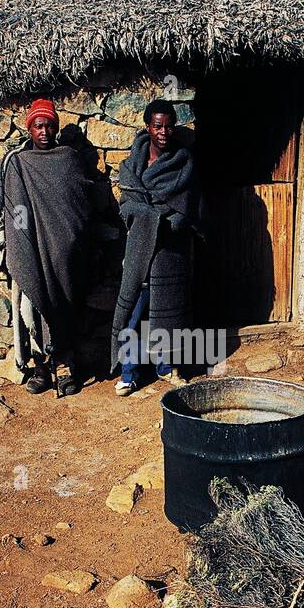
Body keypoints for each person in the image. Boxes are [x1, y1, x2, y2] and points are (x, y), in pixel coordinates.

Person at [0, 99, 93, 396]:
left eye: (50, 125)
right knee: (31, 307)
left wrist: (71, 235)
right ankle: (40, 366)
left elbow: (78, 205)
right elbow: (15, 206)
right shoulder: (18, 163)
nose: (45, 131)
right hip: (30, 244)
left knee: (62, 304)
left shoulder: (68, 159)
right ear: (30, 128)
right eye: (39, 125)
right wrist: (19, 234)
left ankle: (63, 365)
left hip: (64, 248)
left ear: (57, 128)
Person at [111, 99, 200, 395]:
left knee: (167, 313)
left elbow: (186, 210)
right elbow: (127, 204)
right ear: (148, 126)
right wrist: (149, 217)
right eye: (158, 126)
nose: (163, 132)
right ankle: (128, 372)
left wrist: (163, 223)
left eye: (169, 126)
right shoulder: (132, 164)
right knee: (133, 314)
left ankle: (165, 367)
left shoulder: (182, 164)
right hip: (138, 250)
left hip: (168, 251)